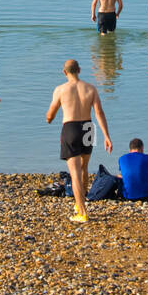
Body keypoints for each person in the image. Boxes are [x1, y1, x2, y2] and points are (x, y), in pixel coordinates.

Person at [45, 59, 112, 224]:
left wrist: (48, 118)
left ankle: (82, 212)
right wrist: (106, 136)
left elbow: (50, 114)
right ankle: (80, 203)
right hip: (88, 127)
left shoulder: (61, 89)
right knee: (84, 168)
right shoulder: (91, 88)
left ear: (64, 72)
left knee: (74, 173)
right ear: (79, 70)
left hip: (71, 127)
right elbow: (99, 113)